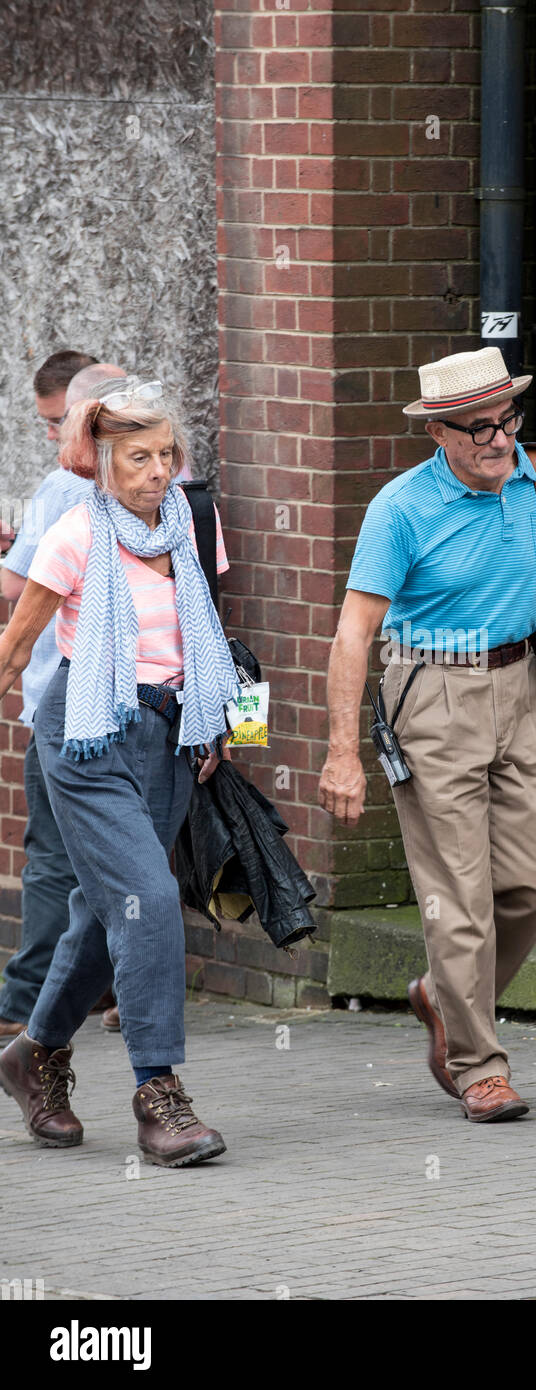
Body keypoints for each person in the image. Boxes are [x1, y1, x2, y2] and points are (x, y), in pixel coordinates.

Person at [319, 347, 536, 1123]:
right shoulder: (399, 509)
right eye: (479, 429)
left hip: (527, 687)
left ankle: (444, 996)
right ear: (439, 433)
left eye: (507, 421)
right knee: (456, 899)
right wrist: (341, 755)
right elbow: (354, 632)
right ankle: (478, 1066)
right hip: (431, 693)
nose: (499, 441)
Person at [0, 376, 239, 1167]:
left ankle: (32, 1054)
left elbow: (207, 631)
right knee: (148, 898)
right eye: (137, 457)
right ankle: (157, 1093)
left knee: (106, 915)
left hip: (173, 733)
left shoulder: (192, 524)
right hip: (88, 736)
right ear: (101, 464)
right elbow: (15, 648)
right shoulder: (74, 534)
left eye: (166, 454)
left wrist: (224, 722)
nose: (156, 471)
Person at [0, 353, 110, 1038]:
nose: (52, 439)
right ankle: (99, 985)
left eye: (55, 422)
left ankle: (25, 1005)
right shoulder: (182, 491)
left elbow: (18, 596)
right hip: (157, 713)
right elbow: (211, 617)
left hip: (65, 706)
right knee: (125, 857)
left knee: (52, 857)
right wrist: (235, 729)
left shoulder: (64, 492)